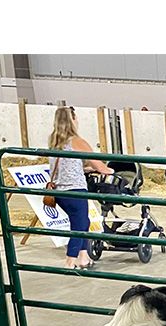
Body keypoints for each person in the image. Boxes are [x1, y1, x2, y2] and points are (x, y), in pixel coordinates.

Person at [46, 105, 113, 270]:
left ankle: (84, 256)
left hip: (59, 192)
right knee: (79, 226)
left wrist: (84, 169)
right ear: (72, 121)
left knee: (83, 222)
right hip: (75, 191)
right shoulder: (78, 142)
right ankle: (70, 260)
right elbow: (101, 167)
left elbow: (67, 166)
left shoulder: (54, 142)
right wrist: (110, 170)